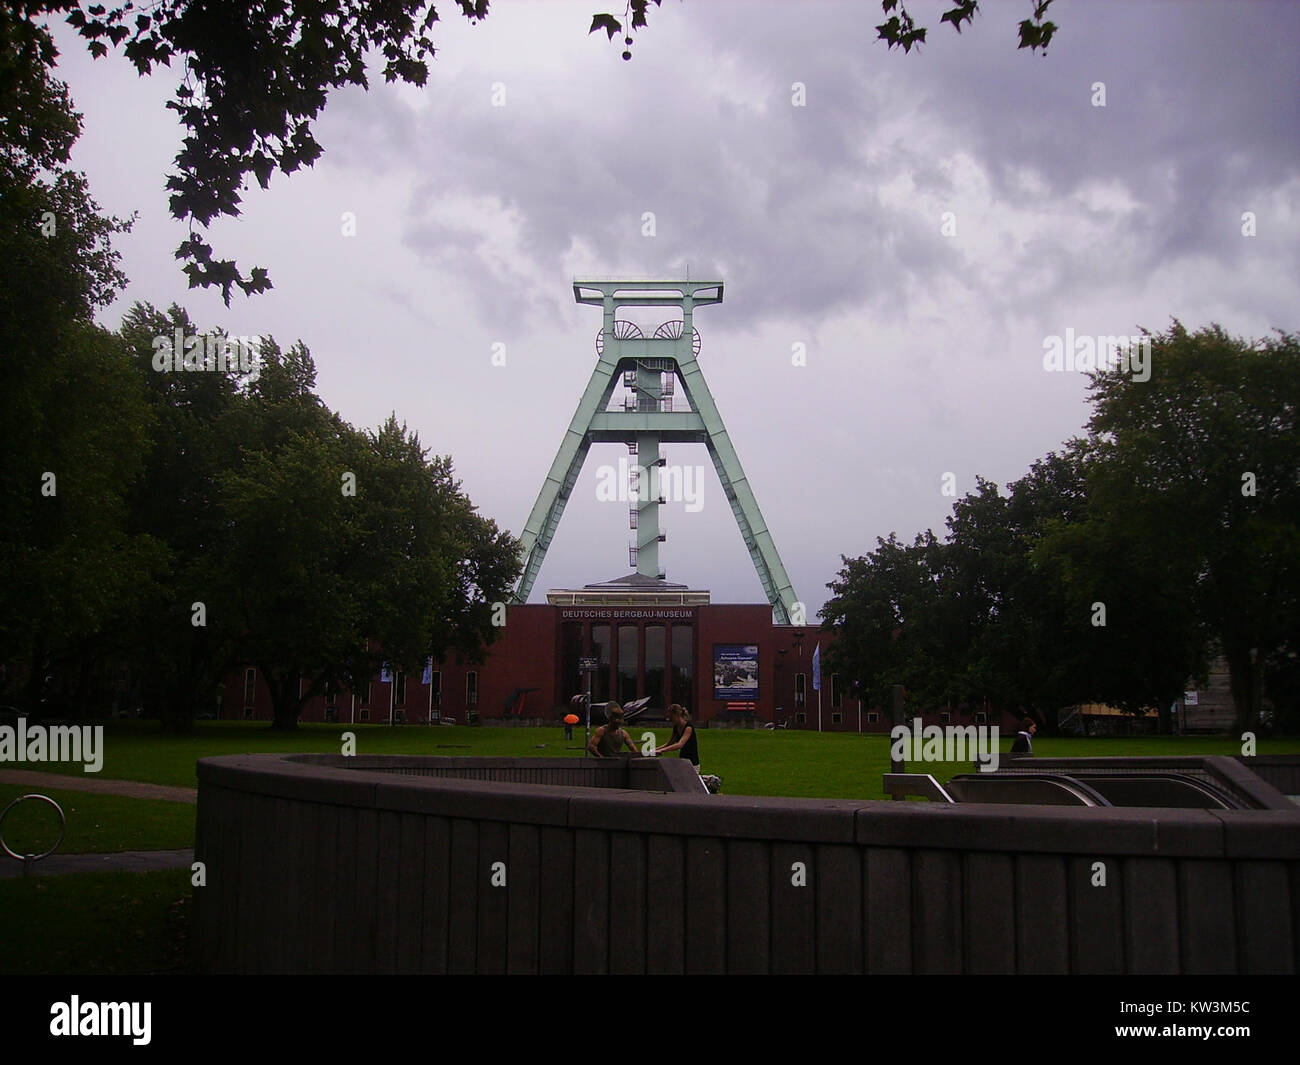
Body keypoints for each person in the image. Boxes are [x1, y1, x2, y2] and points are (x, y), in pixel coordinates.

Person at [656, 703, 700, 769]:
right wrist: (655, 749)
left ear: (677, 715)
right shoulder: (676, 727)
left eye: (671, 717)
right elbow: (670, 743)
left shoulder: (688, 728)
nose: (670, 720)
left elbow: (680, 744)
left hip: (692, 764)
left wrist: (661, 750)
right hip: (683, 761)